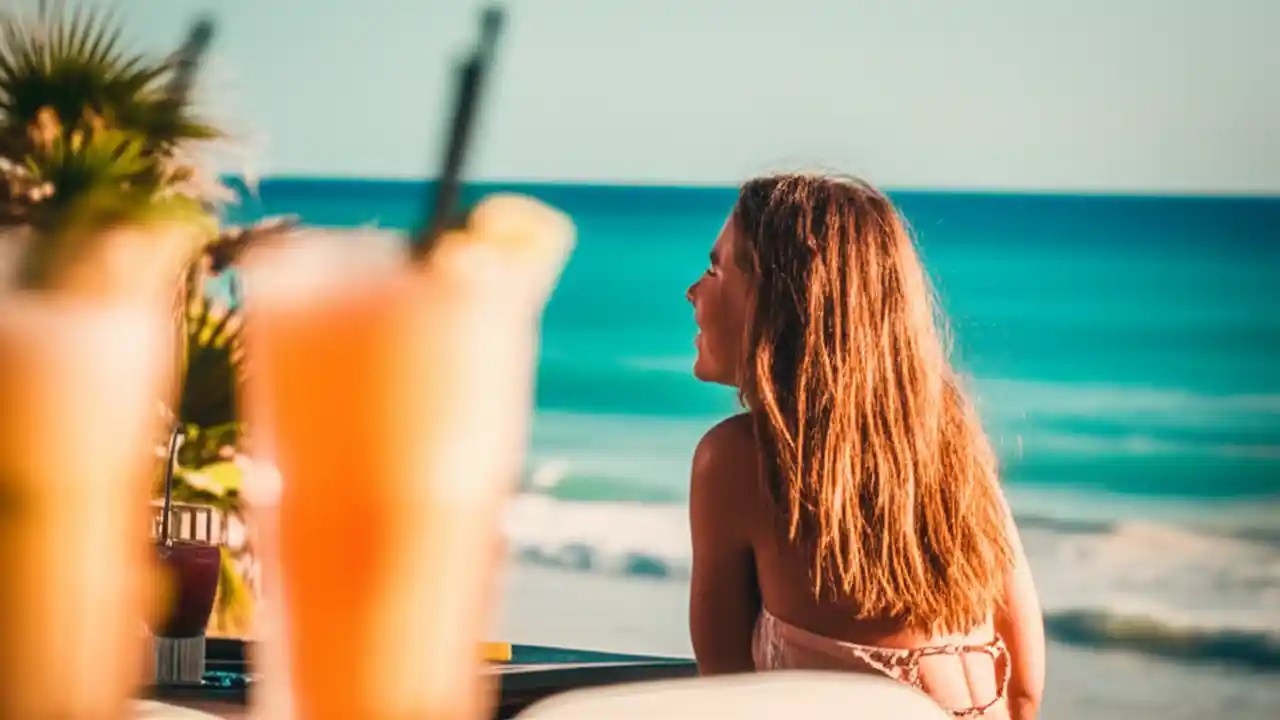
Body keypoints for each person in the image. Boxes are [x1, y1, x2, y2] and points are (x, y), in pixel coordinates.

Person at [685, 173, 1045, 719]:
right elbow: (1023, 690)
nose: (693, 291)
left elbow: (727, 701)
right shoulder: (951, 446)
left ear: (777, 296)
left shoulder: (741, 459)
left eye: (715, 269)